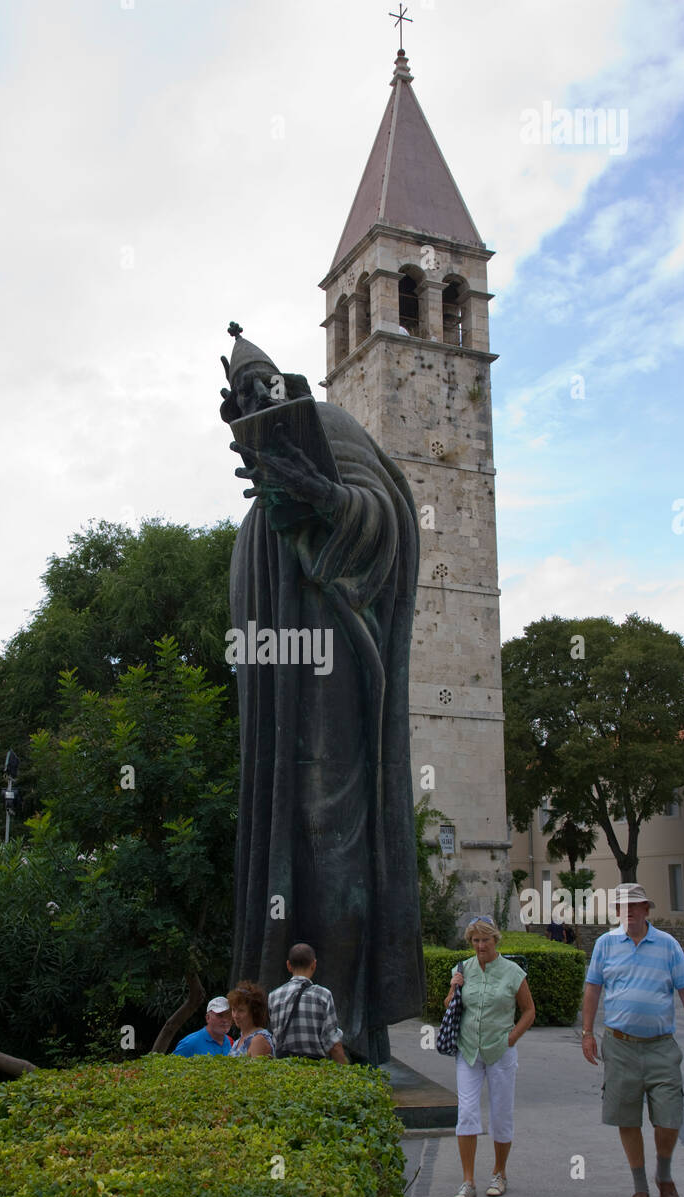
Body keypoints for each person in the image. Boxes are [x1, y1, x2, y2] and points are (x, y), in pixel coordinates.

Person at [221, 325, 423, 1065]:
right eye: (239, 399)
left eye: (260, 390)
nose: (253, 404)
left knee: (330, 829)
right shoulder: (259, 476)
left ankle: (350, 1022)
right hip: (281, 688)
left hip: (332, 666)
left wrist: (325, 499)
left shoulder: (330, 425)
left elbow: (385, 520)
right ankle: (279, 1023)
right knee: (283, 834)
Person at [581, 882, 684, 1197]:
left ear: (647, 910)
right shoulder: (606, 945)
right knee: (627, 1117)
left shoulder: (668, 945)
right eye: (624, 906)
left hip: (661, 1047)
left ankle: (664, 1176)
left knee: (669, 1117)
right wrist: (587, 1032)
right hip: (620, 1046)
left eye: (636, 906)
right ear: (616, 912)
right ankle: (640, 1189)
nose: (630, 912)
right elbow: (593, 989)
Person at [445, 916, 536, 1197]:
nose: (480, 945)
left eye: (485, 940)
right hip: (468, 1050)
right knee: (467, 1112)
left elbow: (529, 1011)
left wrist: (511, 1038)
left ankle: (499, 1172)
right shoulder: (463, 969)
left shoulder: (512, 972)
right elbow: (449, 1005)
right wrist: (453, 987)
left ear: (496, 940)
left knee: (501, 1113)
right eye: (475, 940)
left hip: (500, 1051)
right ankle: (468, 1180)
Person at [267, 942, 347, 1062]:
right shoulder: (323, 995)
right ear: (314, 964)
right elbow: (333, 1045)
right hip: (315, 1073)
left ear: (288, 965)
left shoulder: (273, 996)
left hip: (283, 1071)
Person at [227, 982, 275, 1057]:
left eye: (241, 1010)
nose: (235, 1015)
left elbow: (259, 1068)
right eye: (233, 1010)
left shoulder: (259, 1040)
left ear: (254, 1012)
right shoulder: (238, 1041)